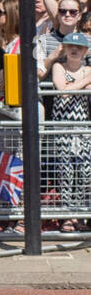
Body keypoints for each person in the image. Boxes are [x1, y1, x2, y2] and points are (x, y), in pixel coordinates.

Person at [51, 31, 91, 232]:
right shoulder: (59, 66)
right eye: (70, 47)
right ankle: (66, 215)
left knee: (84, 172)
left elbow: (67, 88)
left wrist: (72, 85)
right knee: (65, 171)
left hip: (83, 128)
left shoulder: (88, 69)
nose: (74, 50)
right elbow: (61, 88)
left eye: (79, 48)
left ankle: (79, 214)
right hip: (63, 127)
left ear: (85, 51)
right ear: (64, 49)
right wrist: (84, 83)